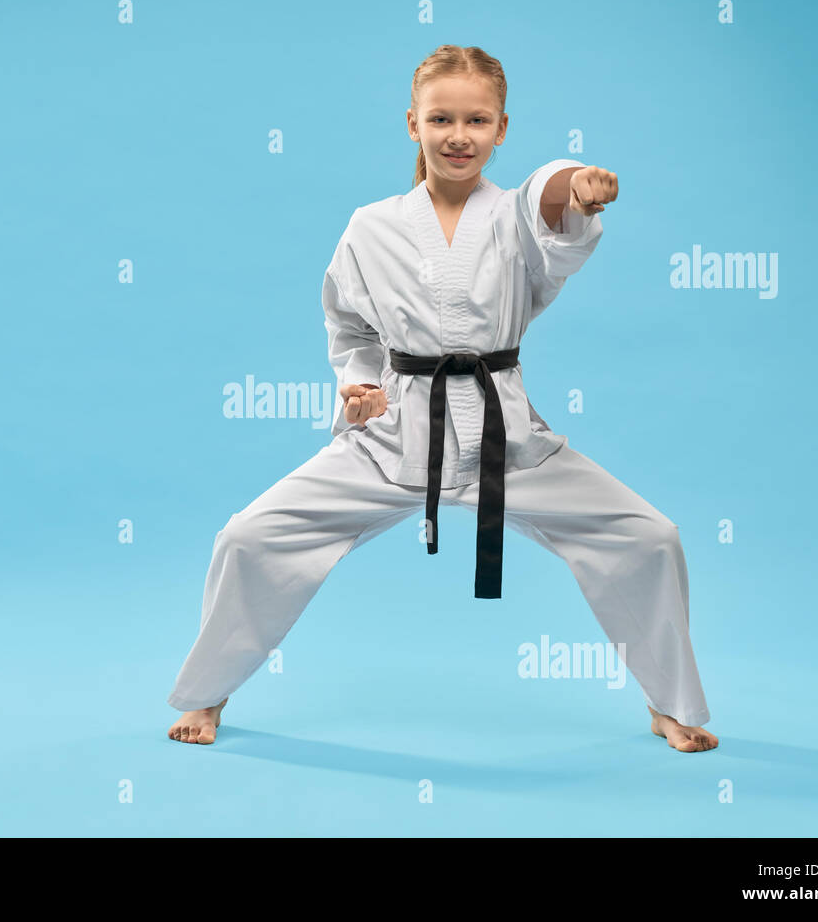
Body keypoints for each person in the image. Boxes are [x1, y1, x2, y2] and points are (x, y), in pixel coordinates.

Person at [166, 44, 717, 754]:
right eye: (442, 118)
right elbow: (349, 322)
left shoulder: (517, 216)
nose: (460, 135)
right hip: (396, 434)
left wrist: (576, 183)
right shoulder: (371, 226)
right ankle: (207, 691)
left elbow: (548, 198)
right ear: (412, 124)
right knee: (249, 536)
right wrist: (358, 384)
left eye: (478, 120)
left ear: (502, 129)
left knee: (649, 537)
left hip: (505, 440)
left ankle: (668, 702)